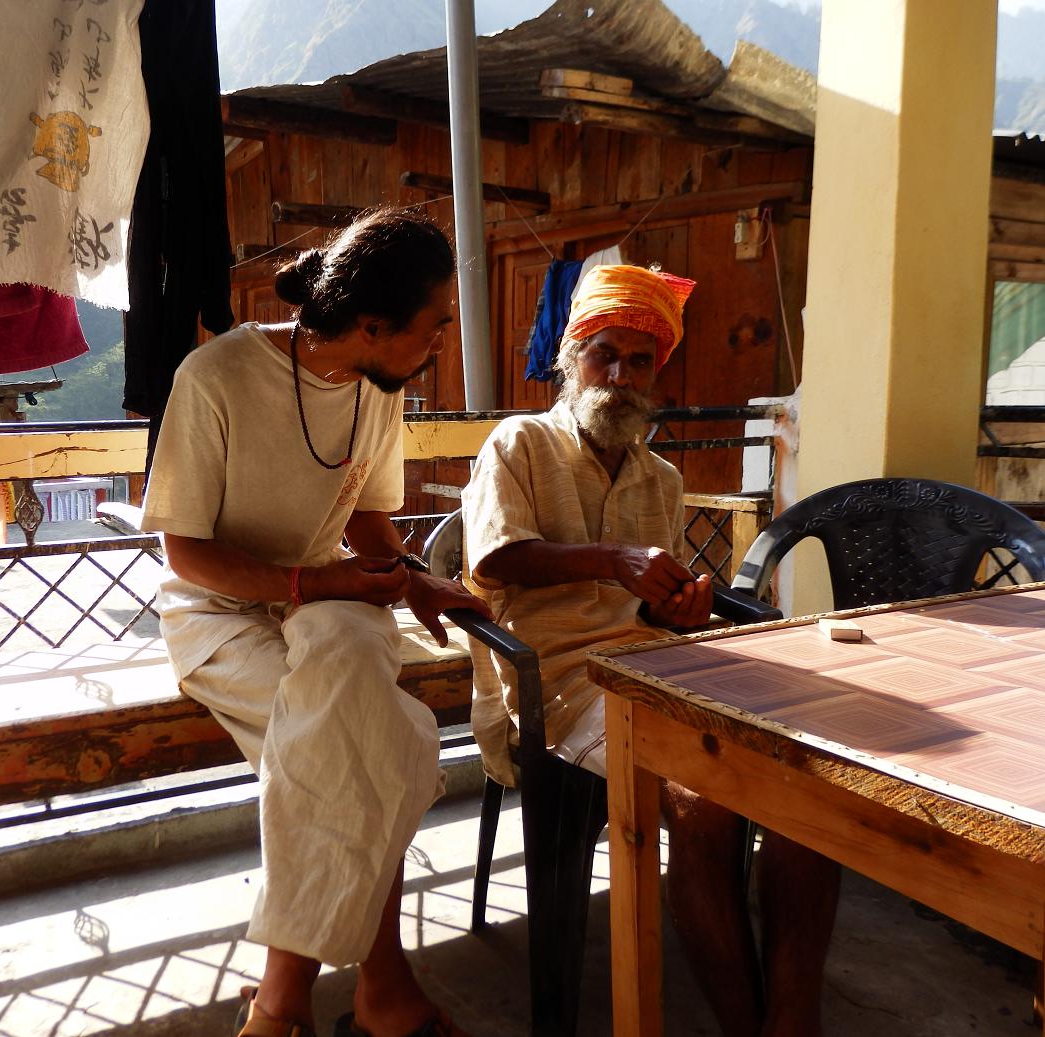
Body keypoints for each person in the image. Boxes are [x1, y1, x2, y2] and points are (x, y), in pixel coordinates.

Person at [460, 264, 841, 1037]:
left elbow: (654, 606)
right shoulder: (519, 444)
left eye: (640, 361)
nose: (621, 375)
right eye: (605, 354)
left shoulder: (657, 476)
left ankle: (790, 1019)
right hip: (558, 682)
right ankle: (743, 1022)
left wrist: (682, 606)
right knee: (703, 800)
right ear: (570, 356)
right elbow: (495, 562)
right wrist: (612, 558)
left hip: (649, 664)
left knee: (807, 782)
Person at [141, 207, 488, 1037]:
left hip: (334, 594)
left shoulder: (375, 386)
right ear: (371, 324)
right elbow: (185, 552)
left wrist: (410, 579)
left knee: (347, 719)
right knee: (380, 741)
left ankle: (284, 1000)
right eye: (433, 326)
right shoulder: (215, 377)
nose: (440, 343)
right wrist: (307, 579)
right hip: (217, 613)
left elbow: (369, 515)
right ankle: (375, 988)